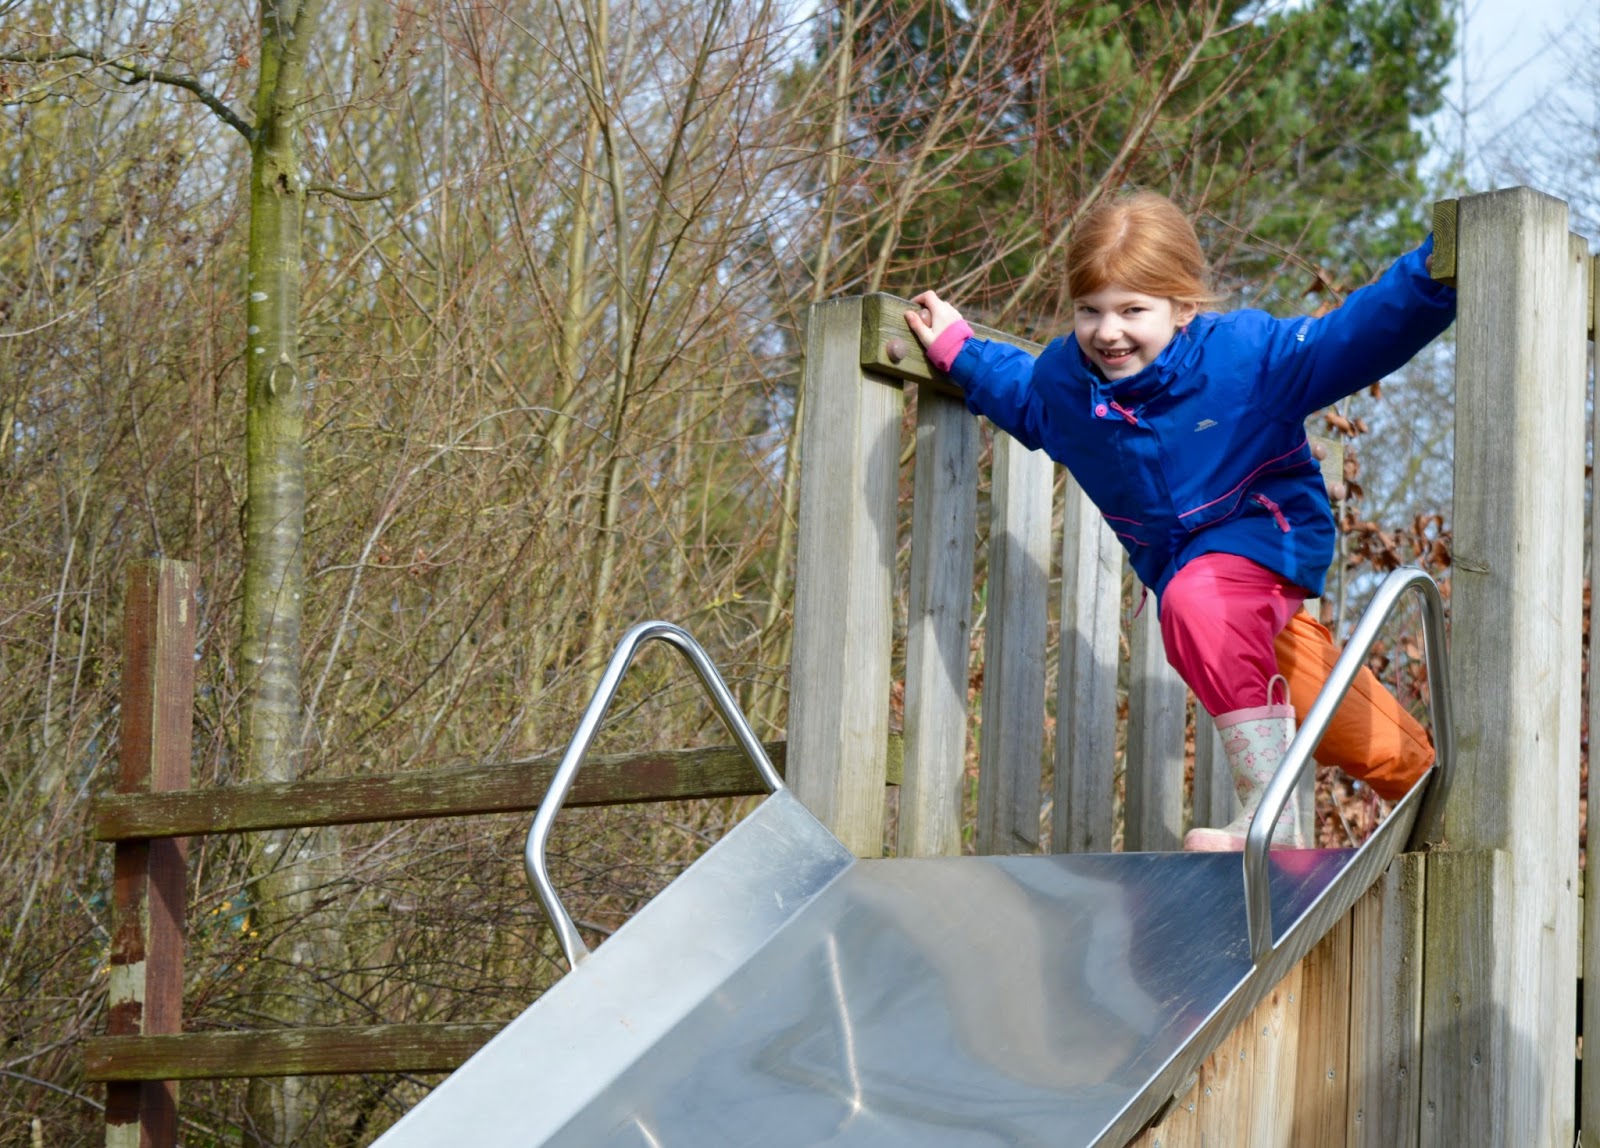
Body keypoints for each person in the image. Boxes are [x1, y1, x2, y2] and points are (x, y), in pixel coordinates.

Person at [905, 190, 1456, 851]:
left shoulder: (1245, 359)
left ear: (1183, 307)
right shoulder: (1067, 387)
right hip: (1193, 576)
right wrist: (960, 350)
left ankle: (1272, 820)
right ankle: (1439, 798)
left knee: (1198, 602)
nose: (1108, 331)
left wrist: (1438, 270)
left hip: (1264, 535)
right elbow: (1021, 396)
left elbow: (1356, 334)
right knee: (1319, 697)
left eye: (1132, 310)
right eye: (1090, 310)